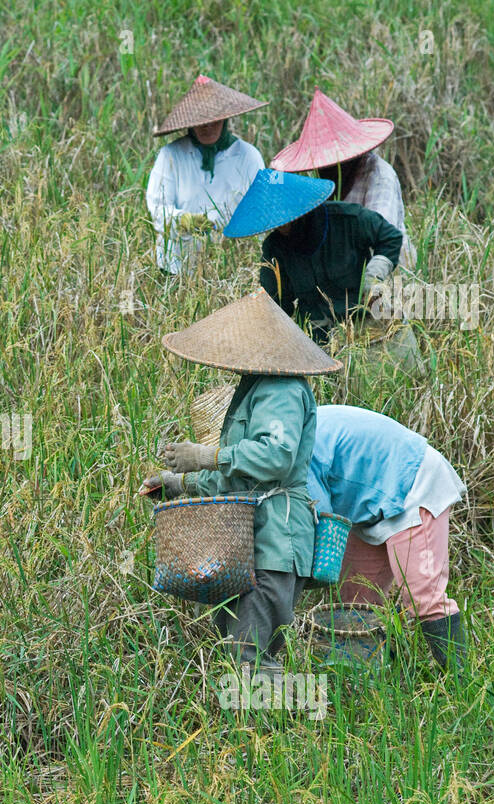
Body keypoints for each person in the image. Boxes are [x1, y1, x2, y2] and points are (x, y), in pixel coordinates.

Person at [145, 289, 342, 678]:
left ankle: (289, 730)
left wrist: (206, 455)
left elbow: (276, 457)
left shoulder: (282, 388)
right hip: (248, 543)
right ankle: (273, 731)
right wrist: (179, 483)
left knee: (247, 658)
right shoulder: (255, 385)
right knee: (241, 654)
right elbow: (241, 474)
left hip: (276, 543)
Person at [306, 405, 468, 671]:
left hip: (412, 485)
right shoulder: (293, 429)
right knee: (357, 602)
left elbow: (319, 517)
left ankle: (460, 682)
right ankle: (375, 681)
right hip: (368, 502)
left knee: (423, 599)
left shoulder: (297, 445)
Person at [223, 169, 402, 347]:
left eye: (283, 214)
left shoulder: (348, 219)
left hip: (362, 322)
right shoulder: (275, 248)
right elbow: (275, 303)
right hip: (315, 335)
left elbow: (390, 237)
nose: (280, 225)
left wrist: (372, 277)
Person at [272, 89, 416, 270]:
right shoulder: (323, 181)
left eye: (332, 163)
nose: (325, 169)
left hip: (384, 269)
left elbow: (382, 239)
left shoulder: (379, 176)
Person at [144, 75, 267, 274]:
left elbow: (259, 210)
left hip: (232, 264)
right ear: (190, 123)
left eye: (213, 121)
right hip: (177, 264)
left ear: (224, 118)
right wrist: (184, 220)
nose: (207, 127)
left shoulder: (248, 157)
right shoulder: (171, 155)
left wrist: (228, 230)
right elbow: (157, 208)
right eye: (200, 122)